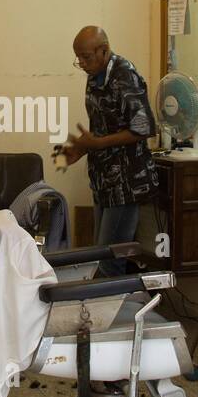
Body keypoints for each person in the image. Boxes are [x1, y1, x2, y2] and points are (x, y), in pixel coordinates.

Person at [62, 25, 159, 275]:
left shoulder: (124, 76)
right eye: (78, 58)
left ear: (103, 51)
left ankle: (110, 313)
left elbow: (144, 127)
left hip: (126, 183)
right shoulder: (95, 76)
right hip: (103, 179)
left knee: (109, 261)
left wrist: (96, 144)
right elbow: (104, 129)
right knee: (100, 255)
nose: (82, 63)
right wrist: (82, 148)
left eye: (86, 57)